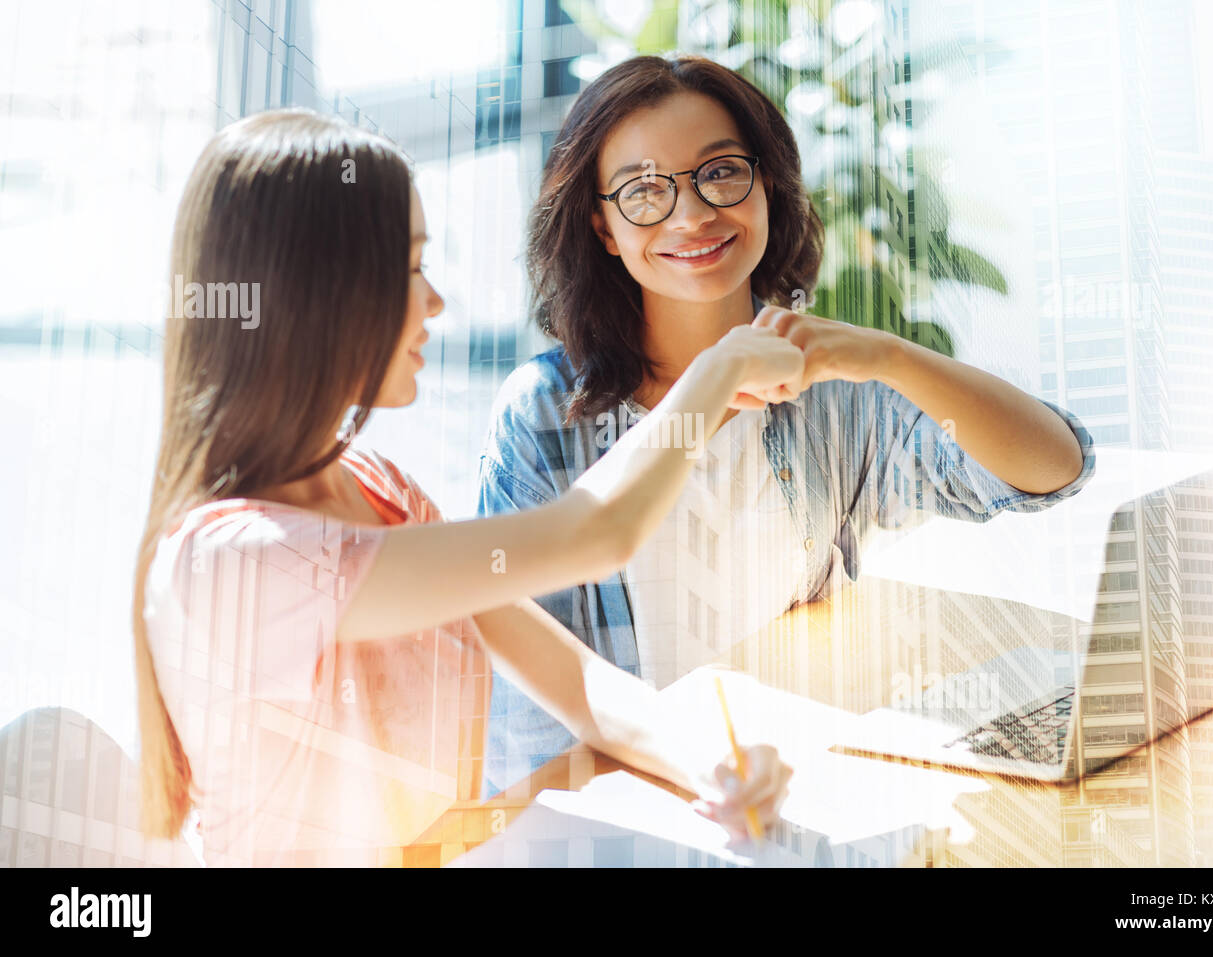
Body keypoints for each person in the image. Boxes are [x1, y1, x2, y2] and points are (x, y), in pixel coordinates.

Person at [133, 108, 800, 865]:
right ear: (312, 294)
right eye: (410, 269)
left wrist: (711, 758)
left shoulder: (381, 492)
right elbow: (595, 533)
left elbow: (576, 680)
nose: (436, 303)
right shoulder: (232, 563)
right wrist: (717, 372)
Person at [477, 55, 1097, 793]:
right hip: (641, 811)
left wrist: (892, 355)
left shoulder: (825, 388)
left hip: (798, 786)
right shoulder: (542, 416)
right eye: (644, 190)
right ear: (603, 227)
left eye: (721, 172)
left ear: (766, 181)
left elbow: (1051, 468)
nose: (693, 214)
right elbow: (535, 721)